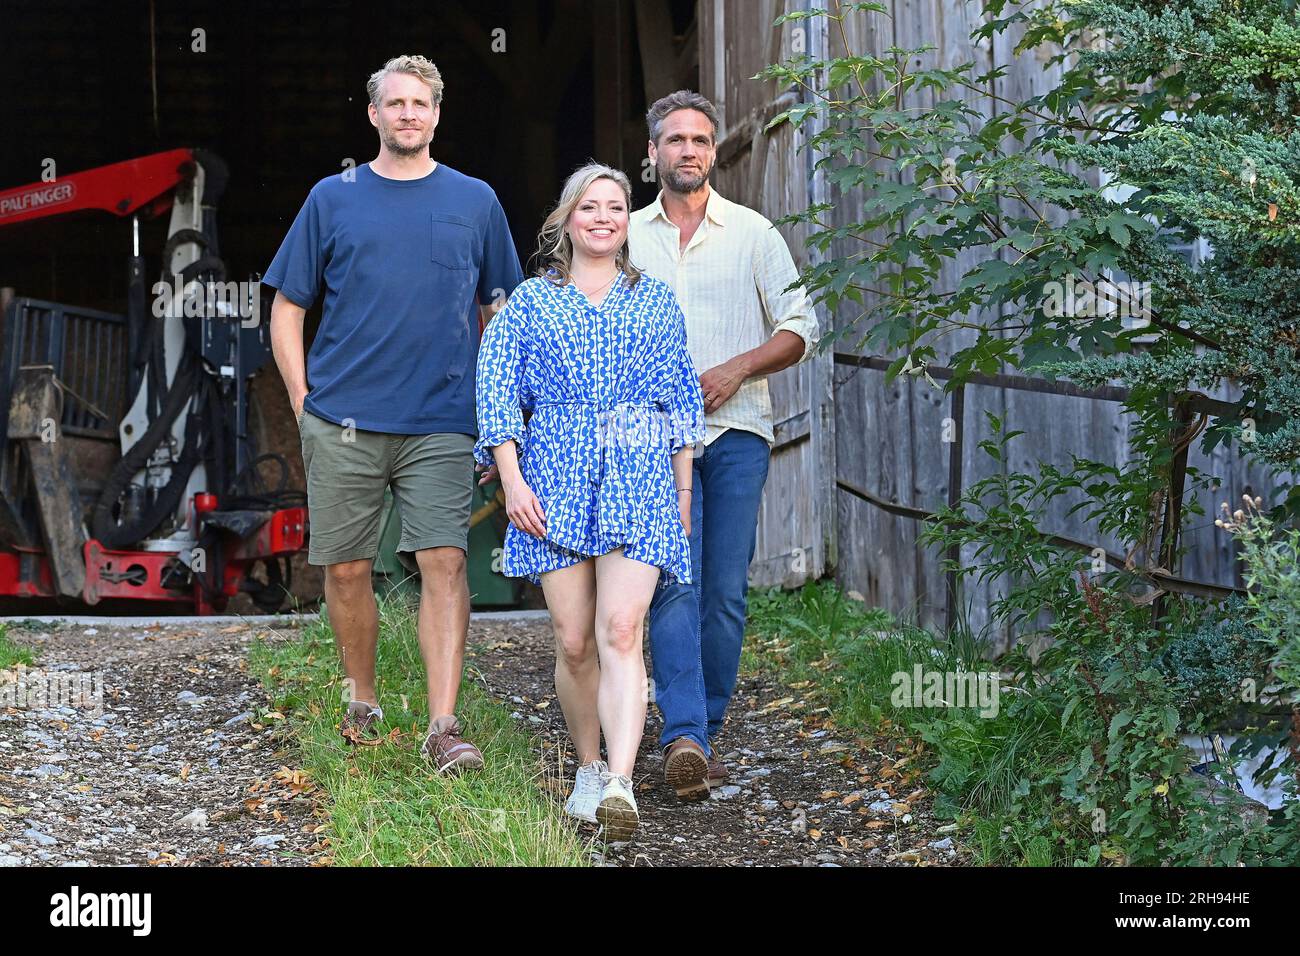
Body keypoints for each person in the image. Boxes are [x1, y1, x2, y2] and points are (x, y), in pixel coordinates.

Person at [264, 54, 523, 773]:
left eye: (421, 103)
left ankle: (443, 724)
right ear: (373, 115)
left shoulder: (475, 201)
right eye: (395, 103)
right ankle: (363, 700)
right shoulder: (333, 198)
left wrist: (494, 402)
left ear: (437, 115)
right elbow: (287, 305)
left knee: (442, 558)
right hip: (343, 416)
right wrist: (299, 395)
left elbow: (503, 309)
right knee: (346, 571)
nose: (408, 113)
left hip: (442, 418)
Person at [475, 162, 706, 840]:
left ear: (627, 221)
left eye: (616, 206)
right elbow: (497, 394)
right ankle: (588, 764)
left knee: (621, 631)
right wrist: (512, 480)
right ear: (567, 219)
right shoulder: (530, 301)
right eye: (590, 206)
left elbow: (680, 402)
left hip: (639, 471)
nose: (604, 216)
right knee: (575, 641)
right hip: (554, 476)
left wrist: (683, 493)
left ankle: (622, 785)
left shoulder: (655, 300)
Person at [631, 90, 819, 792]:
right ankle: (684, 735)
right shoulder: (628, 236)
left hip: (738, 430)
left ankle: (703, 726)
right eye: (675, 139)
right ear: (652, 153)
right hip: (651, 438)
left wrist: (737, 367)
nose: (688, 151)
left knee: (724, 591)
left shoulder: (753, 234)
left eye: (700, 140)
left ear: (714, 152)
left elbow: (803, 326)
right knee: (672, 581)